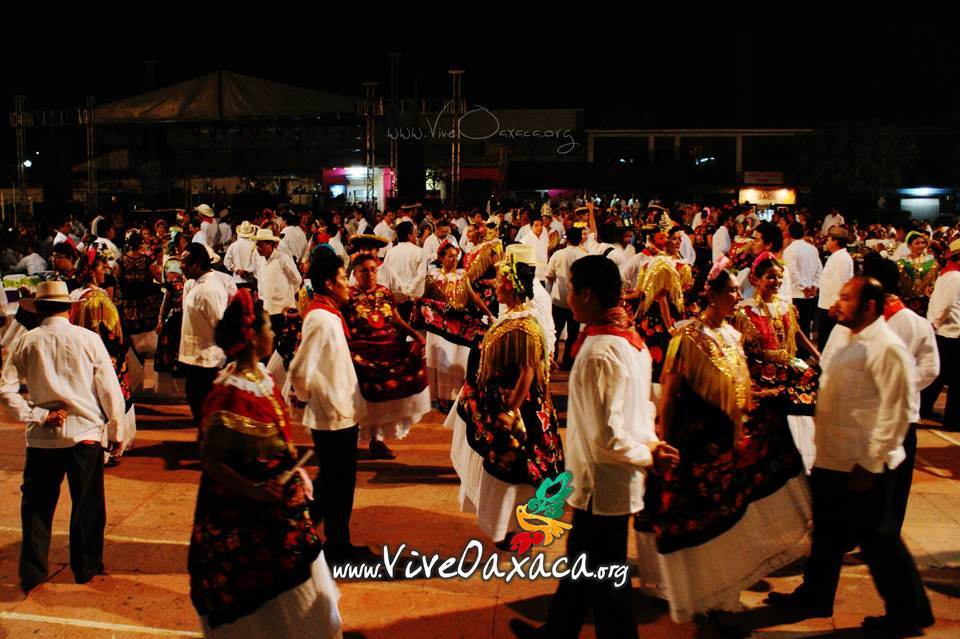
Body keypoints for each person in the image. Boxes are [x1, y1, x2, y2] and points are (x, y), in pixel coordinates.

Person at [510, 256, 679, 639]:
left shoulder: (602, 350)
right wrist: (651, 446)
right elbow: (643, 410)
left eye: (570, 288)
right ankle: (557, 630)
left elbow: (609, 436)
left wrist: (649, 453)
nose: (566, 296)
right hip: (605, 482)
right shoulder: (631, 342)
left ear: (586, 294)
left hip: (603, 484)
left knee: (607, 582)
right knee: (583, 565)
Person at [639, 265, 812, 627]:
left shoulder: (732, 336)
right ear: (713, 295)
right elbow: (669, 395)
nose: (737, 296)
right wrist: (664, 441)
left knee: (730, 523)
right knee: (699, 523)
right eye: (731, 291)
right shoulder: (687, 338)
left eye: (738, 290)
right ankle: (701, 596)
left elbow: (743, 388)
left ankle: (724, 596)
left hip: (727, 446)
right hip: (695, 446)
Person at [765, 277, 934, 636]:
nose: (837, 304)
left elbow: (898, 409)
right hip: (834, 457)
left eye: (846, 298)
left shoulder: (887, 347)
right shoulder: (848, 339)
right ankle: (814, 596)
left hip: (862, 465)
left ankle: (909, 611)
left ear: (869, 306)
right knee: (827, 534)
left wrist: (872, 462)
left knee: (878, 539)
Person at [188, 289, 342, 638]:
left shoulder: (262, 378)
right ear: (254, 337)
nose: (275, 333)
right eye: (269, 328)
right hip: (244, 518)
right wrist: (254, 489)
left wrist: (294, 470)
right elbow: (211, 460)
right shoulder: (230, 392)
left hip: (281, 509)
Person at [0, 281, 126, 591]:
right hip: (85, 433)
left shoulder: (26, 342)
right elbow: (110, 390)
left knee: (37, 505)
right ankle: (86, 566)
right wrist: (116, 429)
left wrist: (39, 415)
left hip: (44, 438)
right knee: (88, 504)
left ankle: (33, 571)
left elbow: (6, 390)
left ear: (39, 309)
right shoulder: (88, 340)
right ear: (69, 309)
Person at [445, 251, 564, 547]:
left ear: (510, 284)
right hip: (504, 400)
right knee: (505, 472)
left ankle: (513, 527)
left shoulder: (523, 324)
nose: (495, 284)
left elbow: (526, 371)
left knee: (513, 472)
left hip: (516, 405)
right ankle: (508, 526)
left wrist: (511, 411)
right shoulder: (512, 317)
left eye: (499, 279)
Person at [287, 250, 372, 562]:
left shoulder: (329, 315)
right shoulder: (321, 319)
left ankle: (324, 540)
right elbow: (299, 370)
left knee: (333, 484)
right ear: (328, 283)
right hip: (333, 416)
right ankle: (329, 544)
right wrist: (313, 398)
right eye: (342, 279)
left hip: (340, 412)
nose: (347, 284)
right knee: (337, 485)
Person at [862, 253, 939, 533]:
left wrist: (894, 387)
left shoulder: (901, 322)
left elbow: (930, 368)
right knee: (889, 482)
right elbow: (930, 368)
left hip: (891, 412)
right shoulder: (911, 321)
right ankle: (879, 532)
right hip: (889, 412)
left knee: (887, 479)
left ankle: (881, 536)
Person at [734, 253, 821, 471]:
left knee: (815, 380)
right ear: (756, 279)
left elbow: (798, 334)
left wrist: (818, 357)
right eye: (771, 277)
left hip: (787, 364)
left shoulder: (785, 306)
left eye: (779, 277)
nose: (777, 282)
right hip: (758, 370)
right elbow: (737, 347)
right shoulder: (745, 310)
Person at [342, 253, 431, 459]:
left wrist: (416, 335)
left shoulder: (385, 292)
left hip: (387, 350)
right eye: (364, 270)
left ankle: (377, 441)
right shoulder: (347, 296)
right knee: (357, 399)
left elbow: (397, 319)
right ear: (355, 273)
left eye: (373, 270)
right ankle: (349, 441)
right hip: (358, 355)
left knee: (381, 402)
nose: (370, 274)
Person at [71, 253, 137, 467]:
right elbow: (112, 334)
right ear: (91, 271)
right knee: (107, 402)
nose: (105, 271)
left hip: (80, 358)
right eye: (101, 268)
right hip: (103, 357)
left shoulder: (75, 295)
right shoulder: (99, 299)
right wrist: (119, 352)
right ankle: (107, 448)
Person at [420, 242, 495, 412]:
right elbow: (425, 301)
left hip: (459, 325)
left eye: (456, 256)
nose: (454, 259)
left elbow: (474, 298)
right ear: (441, 258)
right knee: (442, 362)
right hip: (438, 328)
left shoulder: (462, 277)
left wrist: (489, 314)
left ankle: (455, 397)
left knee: (457, 361)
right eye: (450, 256)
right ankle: (442, 398)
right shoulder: (433, 278)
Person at [179, 243, 229, 426]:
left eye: (184, 262)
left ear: (197, 263)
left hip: (208, 361)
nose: (181, 265)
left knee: (205, 409)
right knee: (198, 406)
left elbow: (220, 324)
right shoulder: (199, 285)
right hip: (199, 359)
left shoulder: (210, 289)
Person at [922, 237, 960, 430]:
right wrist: (934, 324)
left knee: (940, 375)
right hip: (951, 333)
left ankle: (925, 407)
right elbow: (944, 306)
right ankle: (953, 421)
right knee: (955, 381)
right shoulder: (955, 277)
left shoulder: (948, 275)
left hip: (945, 332)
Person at [544, 225, 589, 369]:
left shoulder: (558, 254)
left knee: (555, 331)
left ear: (567, 239)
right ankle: (569, 361)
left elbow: (549, 275)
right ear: (580, 239)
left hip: (558, 299)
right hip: (577, 301)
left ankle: (553, 358)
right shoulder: (585, 256)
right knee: (573, 333)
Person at [255, 227, 302, 340]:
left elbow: (297, 279)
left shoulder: (282, 259)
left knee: (282, 342)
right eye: (257, 245)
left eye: (260, 245)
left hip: (282, 310)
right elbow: (261, 281)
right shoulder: (261, 260)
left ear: (270, 244)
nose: (258, 248)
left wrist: (287, 297)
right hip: (267, 309)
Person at [379, 221, 428, 321]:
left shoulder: (390, 253)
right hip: (413, 298)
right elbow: (421, 275)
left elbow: (385, 275)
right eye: (415, 233)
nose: (417, 235)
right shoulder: (420, 251)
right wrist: (408, 292)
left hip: (396, 298)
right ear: (409, 235)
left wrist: (402, 292)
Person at [154, 254, 187, 396]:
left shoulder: (194, 282)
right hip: (175, 321)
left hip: (187, 322)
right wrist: (160, 320)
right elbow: (165, 304)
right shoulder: (174, 283)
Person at [782, 222, 822, 338]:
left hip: (797, 293)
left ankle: (800, 353)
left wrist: (804, 287)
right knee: (805, 325)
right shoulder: (812, 249)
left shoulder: (790, 250)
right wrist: (814, 285)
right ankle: (805, 353)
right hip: (810, 293)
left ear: (789, 233)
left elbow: (792, 272)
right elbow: (819, 269)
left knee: (796, 328)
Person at [816, 226, 855, 350]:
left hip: (831, 306)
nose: (826, 242)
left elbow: (840, 285)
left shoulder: (841, 259)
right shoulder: (836, 256)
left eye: (828, 239)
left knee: (827, 341)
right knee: (823, 339)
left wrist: (835, 305)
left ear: (835, 241)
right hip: (826, 304)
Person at [896, 230, 939, 317]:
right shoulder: (901, 263)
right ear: (909, 245)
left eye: (923, 243)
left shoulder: (932, 262)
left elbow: (935, 282)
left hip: (927, 302)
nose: (921, 246)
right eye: (917, 243)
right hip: (907, 303)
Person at [223, 221, 260, 289]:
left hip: (237, 280)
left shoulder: (233, 245)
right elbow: (258, 263)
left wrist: (237, 270)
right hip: (252, 279)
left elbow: (226, 262)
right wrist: (247, 271)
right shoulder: (255, 246)